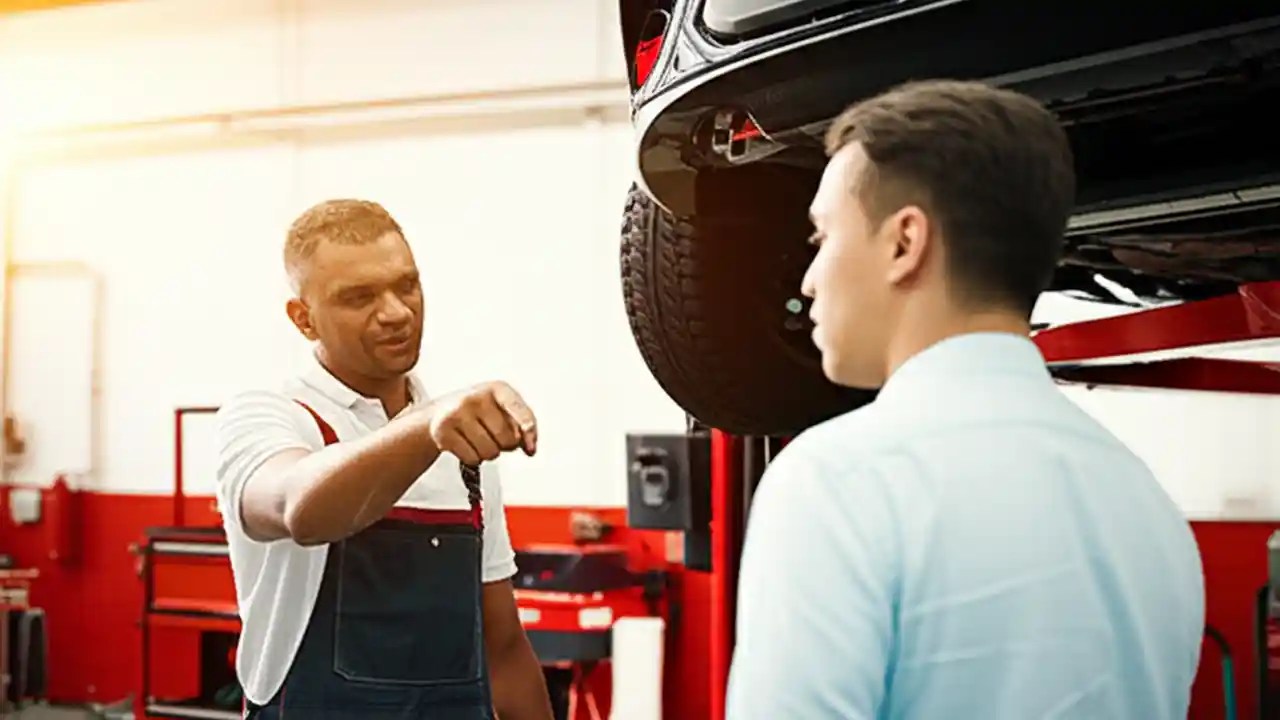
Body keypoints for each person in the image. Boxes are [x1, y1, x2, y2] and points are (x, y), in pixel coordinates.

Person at [725, 80, 1206, 719]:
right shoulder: (1149, 507)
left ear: (904, 242)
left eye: (821, 238)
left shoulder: (838, 483)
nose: (810, 281)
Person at [215, 199, 553, 719]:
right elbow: (298, 507)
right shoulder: (270, 416)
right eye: (359, 297)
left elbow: (503, 645)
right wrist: (426, 425)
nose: (396, 311)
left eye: (407, 285)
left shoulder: (463, 445)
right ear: (304, 319)